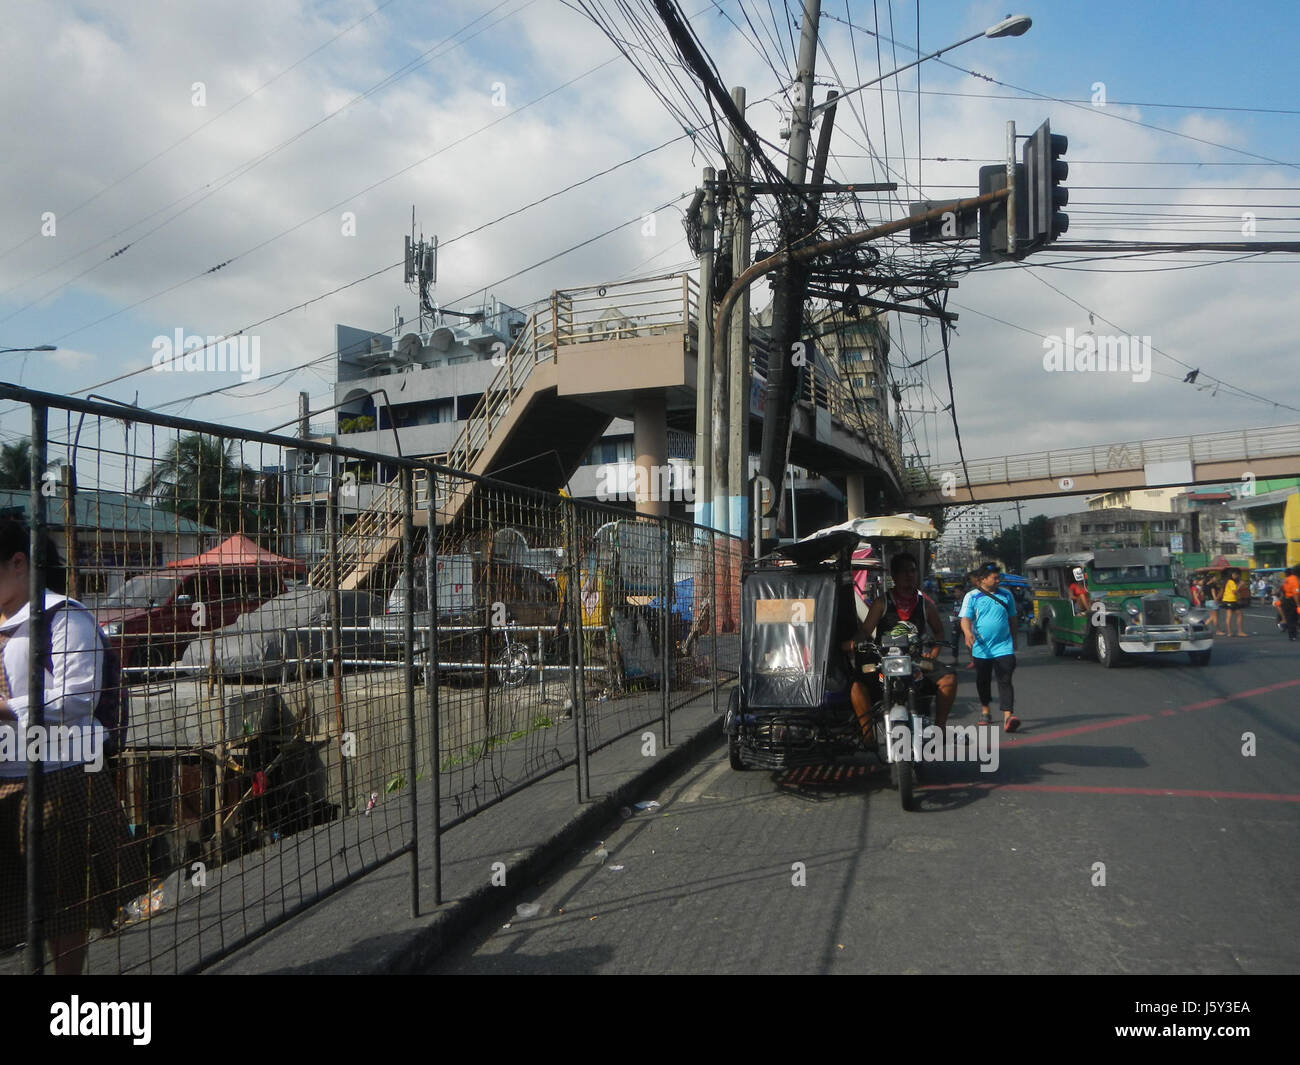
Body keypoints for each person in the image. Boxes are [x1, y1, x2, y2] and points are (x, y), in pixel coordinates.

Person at [0, 520, 142, 974]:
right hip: (6, 778)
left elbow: (78, 695)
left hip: (60, 776)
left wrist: (7, 709)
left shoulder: (64, 616)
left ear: (18, 563)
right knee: (13, 900)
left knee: (66, 902)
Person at [845, 552, 958, 735]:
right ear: (894, 576)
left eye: (912, 571)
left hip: (915, 661)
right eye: (904, 571)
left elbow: (938, 632)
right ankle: (867, 735)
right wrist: (853, 643)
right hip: (884, 661)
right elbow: (865, 631)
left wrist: (934, 652)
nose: (909, 575)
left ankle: (940, 727)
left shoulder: (925, 605)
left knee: (950, 680)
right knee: (856, 687)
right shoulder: (882, 603)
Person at [960, 562, 1020, 732]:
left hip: (1004, 646)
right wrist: (967, 633)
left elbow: (1013, 619)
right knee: (983, 680)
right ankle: (985, 710)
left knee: (1005, 679)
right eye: (994, 578)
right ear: (983, 579)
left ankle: (1008, 716)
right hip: (981, 648)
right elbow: (965, 618)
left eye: (998, 577)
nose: (998, 581)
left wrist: (1014, 639)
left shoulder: (1007, 595)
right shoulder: (972, 596)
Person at [1220, 567, 1247, 637]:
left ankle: (1230, 632)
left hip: (1228, 600)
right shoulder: (1231, 582)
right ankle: (1239, 631)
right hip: (1231, 600)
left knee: (1230, 616)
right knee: (1238, 614)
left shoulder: (1228, 581)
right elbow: (1234, 592)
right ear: (1232, 574)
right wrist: (1240, 585)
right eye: (1236, 574)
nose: (1237, 576)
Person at [1280, 567, 1300, 642]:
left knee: (1289, 618)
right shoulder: (1294, 579)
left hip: (1286, 600)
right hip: (1292, 601)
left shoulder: (1286, 580)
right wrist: (1298, 605)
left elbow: (1282, 590)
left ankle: (1292, 635)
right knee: (1293, 618)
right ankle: (1293, 635)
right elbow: (1295, 594)